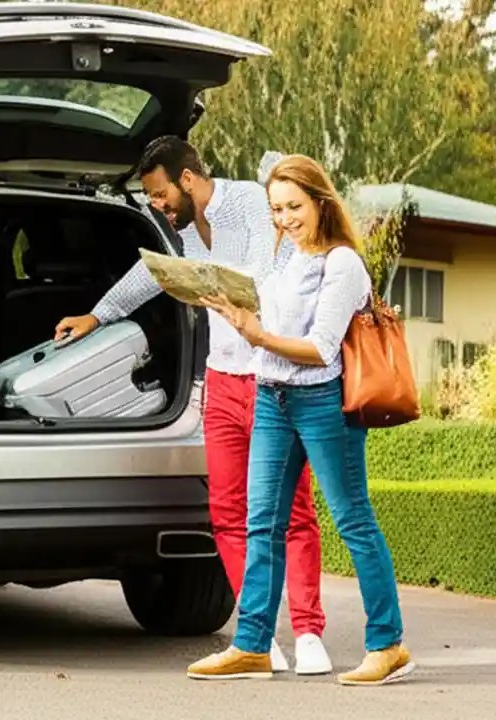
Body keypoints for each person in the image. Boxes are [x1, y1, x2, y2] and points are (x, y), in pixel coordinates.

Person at [54, 137, 332, 675]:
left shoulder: (253, 202)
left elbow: (263, 279)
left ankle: (309, 630)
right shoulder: (184, 232)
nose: (156, 205)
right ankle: (258, 636)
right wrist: (98, 315)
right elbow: (151, 276)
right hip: (223, 382)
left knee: (290, 512)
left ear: (186, 179)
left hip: (275, 378)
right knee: (227, 512)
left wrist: (214, 288)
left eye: (158, 194)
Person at [189, 154, 413, 685]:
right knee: (260, 523)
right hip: (273, 399)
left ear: (320, 201)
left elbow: (319, 348)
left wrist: (256, 334)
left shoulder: (342, 264)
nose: (284, 218)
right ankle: (252, 646)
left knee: (353, 520)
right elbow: (270, 321)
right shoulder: (286, 260)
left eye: (293, 206)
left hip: (321, 404)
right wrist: (231, 310)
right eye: (276, 209)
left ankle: (389, 644)